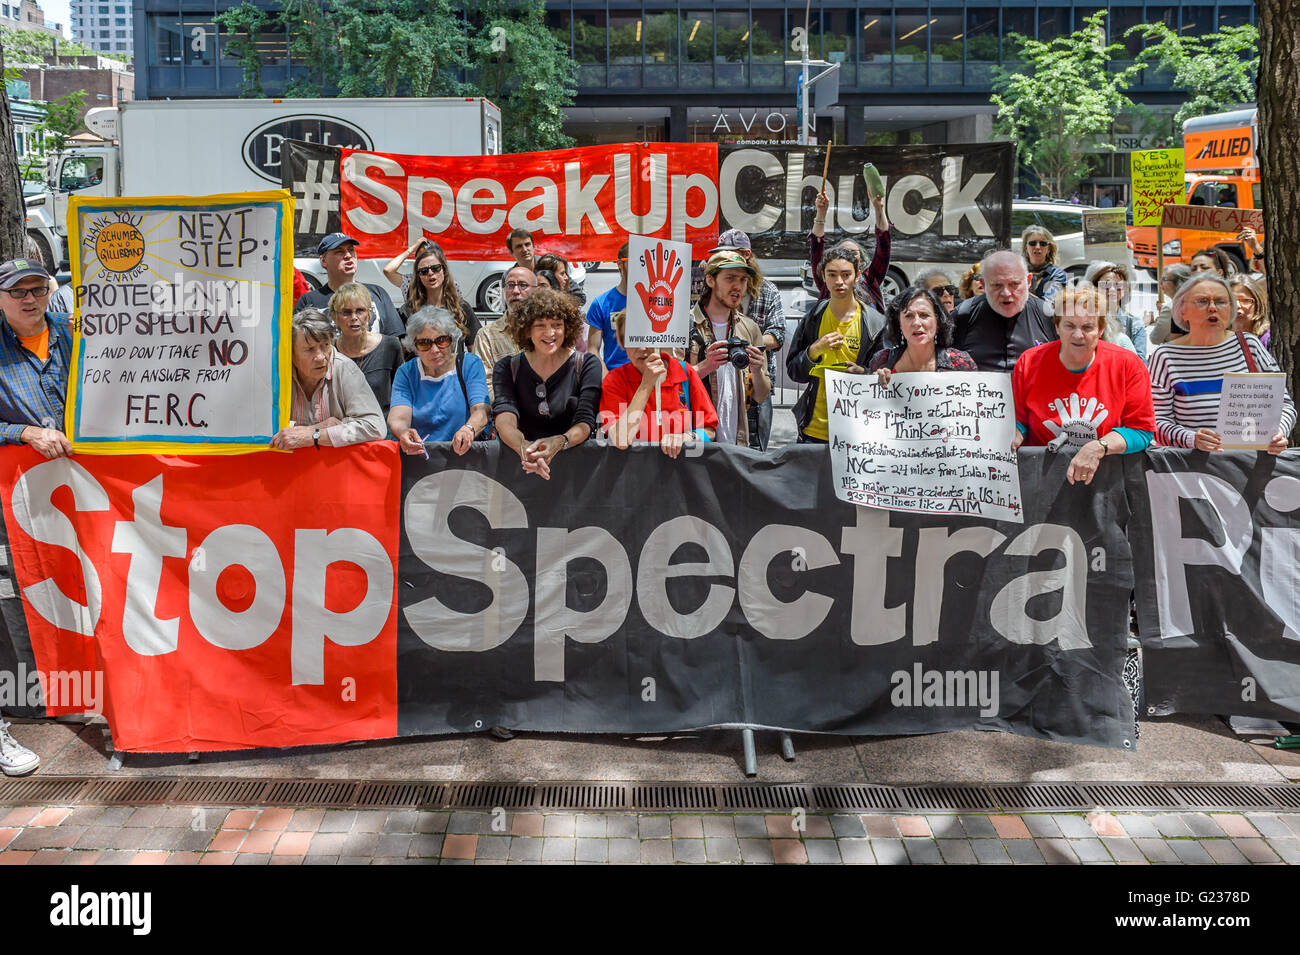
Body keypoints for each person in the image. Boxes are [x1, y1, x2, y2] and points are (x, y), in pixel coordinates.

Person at [0, 257, 73, 775]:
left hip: (84, 493)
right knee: (26, 588)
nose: (29, 299)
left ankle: (91, 686)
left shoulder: (77, 336)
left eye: (37, 289)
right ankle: (39, 695)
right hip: (21, 498)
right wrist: (24, 434)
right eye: (16, 292)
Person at [1011, 285, 1156, 484]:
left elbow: (1142, 431)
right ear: (1057, 327)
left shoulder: (1127, 365)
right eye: (1069, 326)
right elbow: (1019, 420)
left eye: (1088, 327)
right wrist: (1014, 434)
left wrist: (1099, 447)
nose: (1078, 335)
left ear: (1101, 329)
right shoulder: (1029, 362)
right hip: (1042, 478)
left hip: (1106, 480)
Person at [1148, 274, 1295, 454]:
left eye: (1221, 301)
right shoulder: (1165, 356)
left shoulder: (1249, 346)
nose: (1212, 308)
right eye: (1202, 301)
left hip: (1250, 465)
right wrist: (1191, 439)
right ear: (1182, 310)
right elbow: (1156, 420)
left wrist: (1278, 432)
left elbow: (1284, 404)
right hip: (1192, 472)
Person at [492, 288, 601, 480]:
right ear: (526, 329)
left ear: (568, 328)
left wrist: (560, 442)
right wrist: (525, 449)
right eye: (540, 325)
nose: (550, 333)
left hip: (576, 476)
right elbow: (504, 418)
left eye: (557, 324)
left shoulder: (587, 365)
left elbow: (586, 420)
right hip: (520, 470)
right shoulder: (506, 367)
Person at [786, 247, 887, 443]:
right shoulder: (813, 318)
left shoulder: (876, 323)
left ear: (857, 276)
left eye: (846, 274)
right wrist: (814, 350)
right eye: (832, 275)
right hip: (814, 430)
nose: (839, 281)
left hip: (857, 432)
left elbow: (884, 375)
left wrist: (863, 373)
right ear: (823, 276)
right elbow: (794, 372)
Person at [599, 309, 717, 456]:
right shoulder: (615, 380)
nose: (641, 348)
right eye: (632, 339)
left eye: (646, 338)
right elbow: (620, 439)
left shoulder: (685, 372)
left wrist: (687, 437)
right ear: (622, 343)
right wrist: (646, 385)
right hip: (634, 475)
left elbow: (709, 430)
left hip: (680, 473)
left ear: (660, 338)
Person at [685, 251, 771, 448]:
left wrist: (757, 371)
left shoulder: (750, 328)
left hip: (738, 443)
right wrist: (705, 366)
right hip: (698, 440)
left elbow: (761, 395)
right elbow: (673, 389)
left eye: (742, 279)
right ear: (710, 280)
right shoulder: (685, 325)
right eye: (730, 278)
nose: (738, 286)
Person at [708, 229, 784, 450]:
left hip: (753, 381)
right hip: (719, 378)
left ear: (747, 254)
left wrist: (745, 343)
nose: (725, 258)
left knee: (754, 450)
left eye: (732, 254)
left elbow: (778, 333)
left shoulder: (767, 290)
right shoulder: (714, 289)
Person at [272, 309, 386, 451]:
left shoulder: (344, 369)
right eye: (309, 349)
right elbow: (257, 426)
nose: (321, 357)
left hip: (333, 469)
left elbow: (375, 426)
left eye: (325, 345)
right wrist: (319, 427)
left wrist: (314, 435)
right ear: (291, 353)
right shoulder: (275, 374)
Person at [387, 306, 490, 456]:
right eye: (424, 343)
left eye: (441, 340)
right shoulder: (407, 372)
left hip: (465, 455)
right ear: (414, 346)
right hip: (422, 456)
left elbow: (481, 409)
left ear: (452, 339)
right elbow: (398, 417)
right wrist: (403, 432)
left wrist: (469, 429)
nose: (434, 350)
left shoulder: (469, 364)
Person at [950, 250, 1057, 373]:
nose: (1006, 293)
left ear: (1028, 281)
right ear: (983, 284)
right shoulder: (964, 315)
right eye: (997, 285)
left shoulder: (1047, 316)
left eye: (1014, 284)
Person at [293, 233, 404, 338]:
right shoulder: (309, 301)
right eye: (339, 252)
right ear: (323, 261)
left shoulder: (378, 293)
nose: (348, 255)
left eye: (351, 250)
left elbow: (395, 340)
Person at [866, 286, 977, 386]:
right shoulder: (881, 361)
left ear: (938, 322)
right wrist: (873, 384)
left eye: (924, 315)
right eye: (909, 316)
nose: (916, 323)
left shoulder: (960, 363)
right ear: (898, 323)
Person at [809, 190, 892, 312]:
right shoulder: (828, 283)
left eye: (853, 253)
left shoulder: (870, 278)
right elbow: (816, 245)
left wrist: (879, 208)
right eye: (843, 252)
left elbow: (884, 246)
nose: (839, 281)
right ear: (824, 276)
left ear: (858, 273)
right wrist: (821, 213)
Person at [330, 283, 404, 416]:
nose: (354, 317)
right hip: (342, 430)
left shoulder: (390, 346)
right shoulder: (330, 352)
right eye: (346, 312)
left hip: (383, 429)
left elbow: (401, 395)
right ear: (334, 316)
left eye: (360, 311)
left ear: (369, 314)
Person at [388, 240, 479, 348]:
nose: (430, 273)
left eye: (436, 268)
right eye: (424, 271)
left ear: (444, 270)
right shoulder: (407, 310)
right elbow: (401, 354)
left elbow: (474, 350)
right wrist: (411, 249)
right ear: (418, 276)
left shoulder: (461, 307)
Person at [474, 266, 533, 402]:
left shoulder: (545, 332)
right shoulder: (486, 335)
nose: (515, 291)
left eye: (523, 285)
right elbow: (484, 386)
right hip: (502, 411)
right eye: (510, 285)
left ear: (537, 290)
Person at [1085, 261, 1147, 360]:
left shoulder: (1135, 325)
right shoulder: (1084, 319)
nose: (1112, 289)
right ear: (1095, 288)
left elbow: (1140, 365)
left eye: (1118, 286)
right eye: (1106, 285)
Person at [586, 241, 630, 374]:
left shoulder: (653, 302)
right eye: (634, 262)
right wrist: (606, 377)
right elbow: (593, 349)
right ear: (620, 264)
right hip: (614, 376)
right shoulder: (601, 303)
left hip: (647, 378)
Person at [1021, 225, 1069, 311]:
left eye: (1043, 244)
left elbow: (1048, 305)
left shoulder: (1058, 275)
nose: (1037, 247)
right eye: (1032, 243)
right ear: (1026, 248)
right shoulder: (1018, 272)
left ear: (1049, 249)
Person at [1150, 263, 1193, 345]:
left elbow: (1155, 339)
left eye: (1164, 279)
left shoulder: (1170, 309)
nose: (1160, 282)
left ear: (1178, 283)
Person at [1229, 273, 1270, 347]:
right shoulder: (1216, 338)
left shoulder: (1268, 339)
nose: (1237, 306)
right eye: (1231, 300)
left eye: (1245, 300)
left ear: (1258, 304)